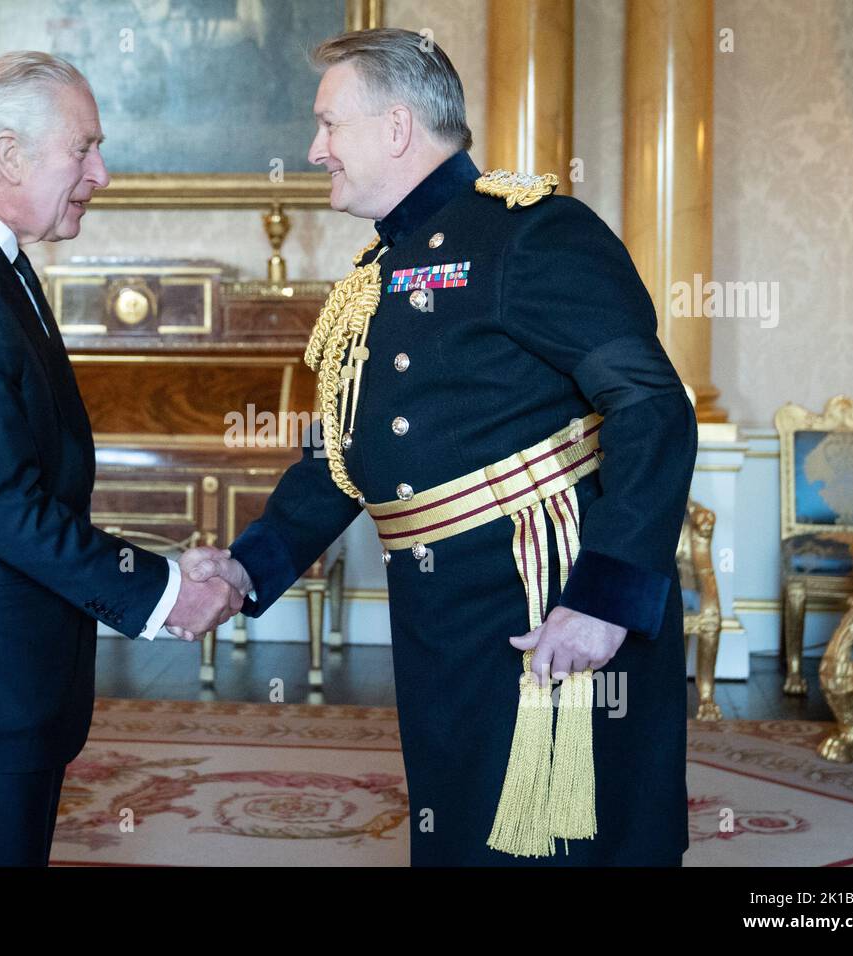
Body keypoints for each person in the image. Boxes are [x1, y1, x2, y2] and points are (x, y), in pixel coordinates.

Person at [180, 28, 697, 866]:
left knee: (571, 843)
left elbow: (651, 404)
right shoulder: (376, 269)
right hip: (441, 618)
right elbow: (342, 456)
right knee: (462, 832)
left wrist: (606, 598)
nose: (314, 151)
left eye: (327, 126)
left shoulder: (534, 232)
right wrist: (248, 568)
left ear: (393, 128)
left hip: (547, 601)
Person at [0, 52, 241, 866]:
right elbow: (5, 507)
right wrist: (163, 590)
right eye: (84, 148)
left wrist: (157, 570)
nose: (101, 171)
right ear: (9, 157)